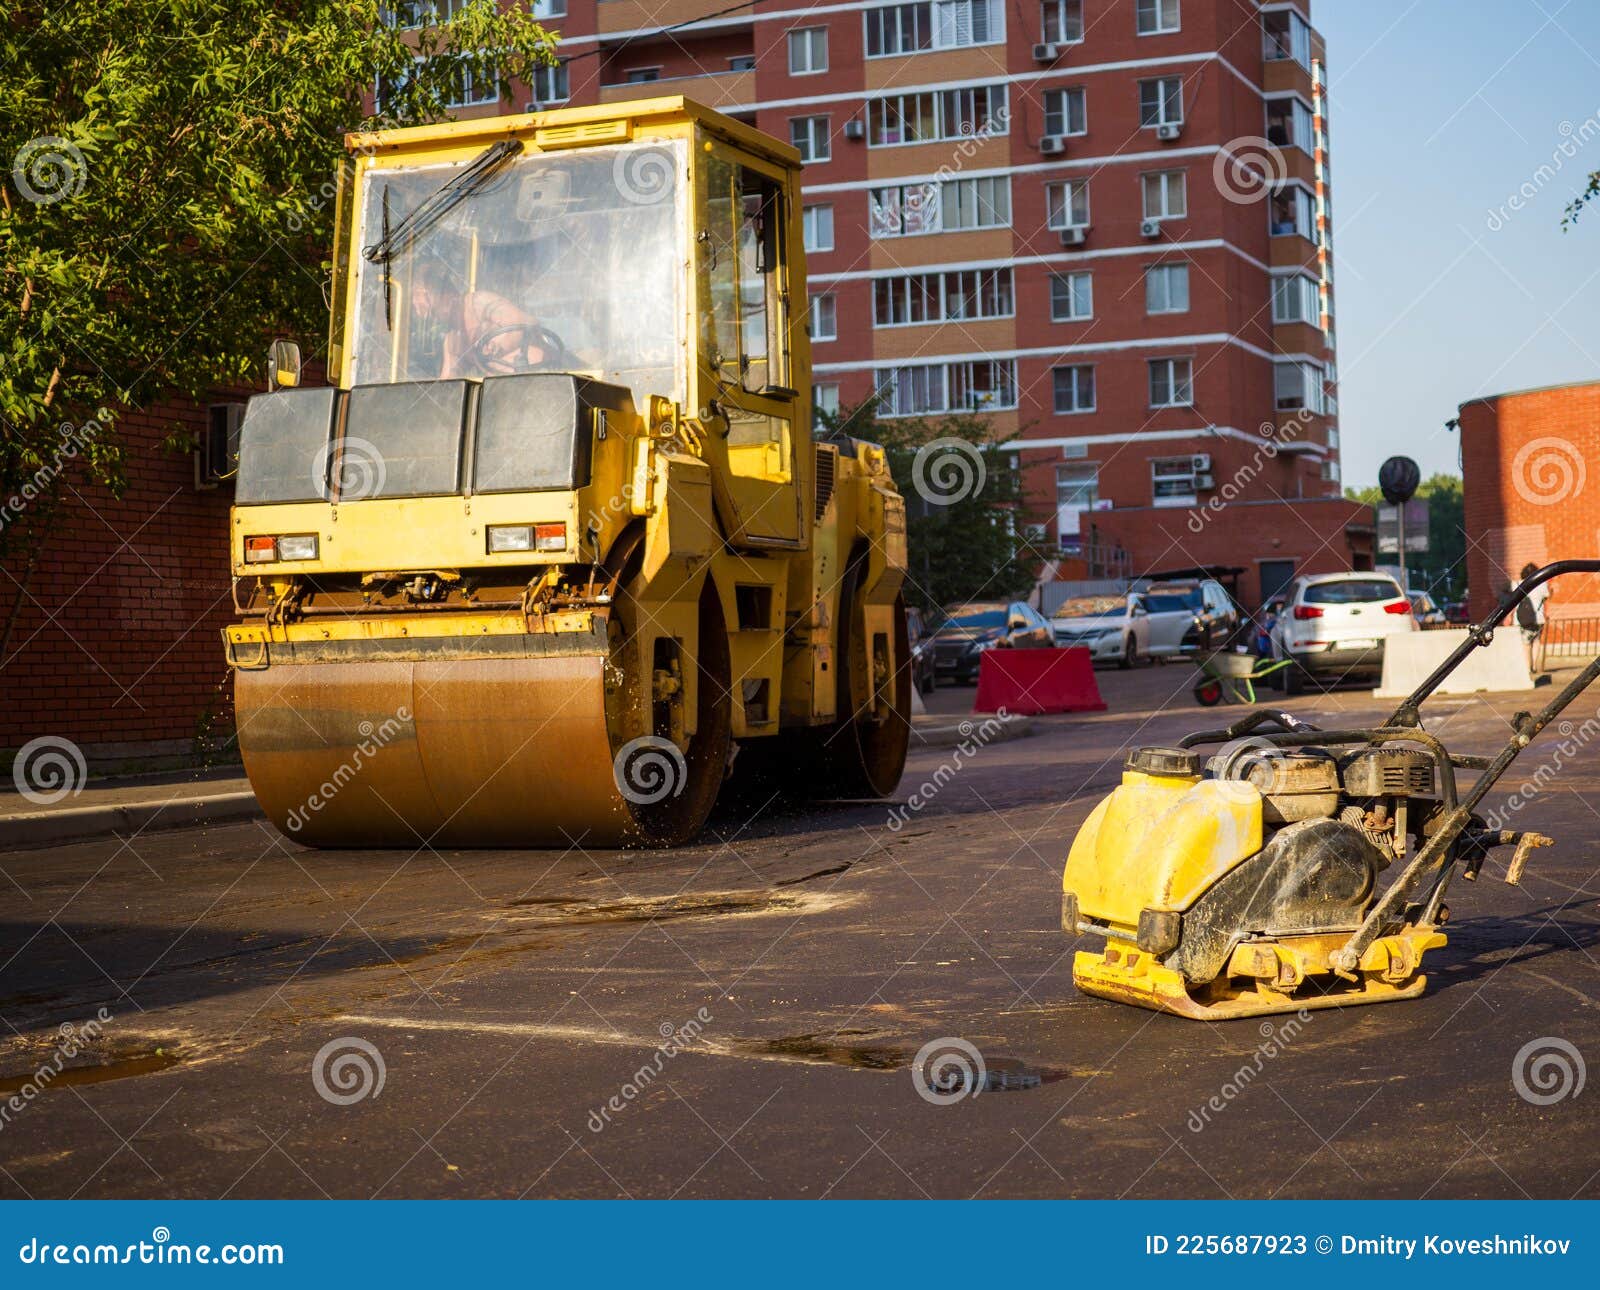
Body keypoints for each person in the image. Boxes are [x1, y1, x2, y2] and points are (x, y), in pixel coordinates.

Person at [409, 261, 548, 378]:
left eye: (433, 310)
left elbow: (524, 323)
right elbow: (447, 382)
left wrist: (499, 344)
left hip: (543, 373)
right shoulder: (452, 341)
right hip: (500, 391)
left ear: (447, 294)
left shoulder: (478, 303)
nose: (435, 319)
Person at [1515, 561, 1548, 673]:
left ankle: (1528, 667)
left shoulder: (1519, 584)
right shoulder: (1542, 584)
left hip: (1523, 619)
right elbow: (1547, 596)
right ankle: (1534, 665)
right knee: (1536, 641)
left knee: (1526, 644)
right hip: (1539, 618)